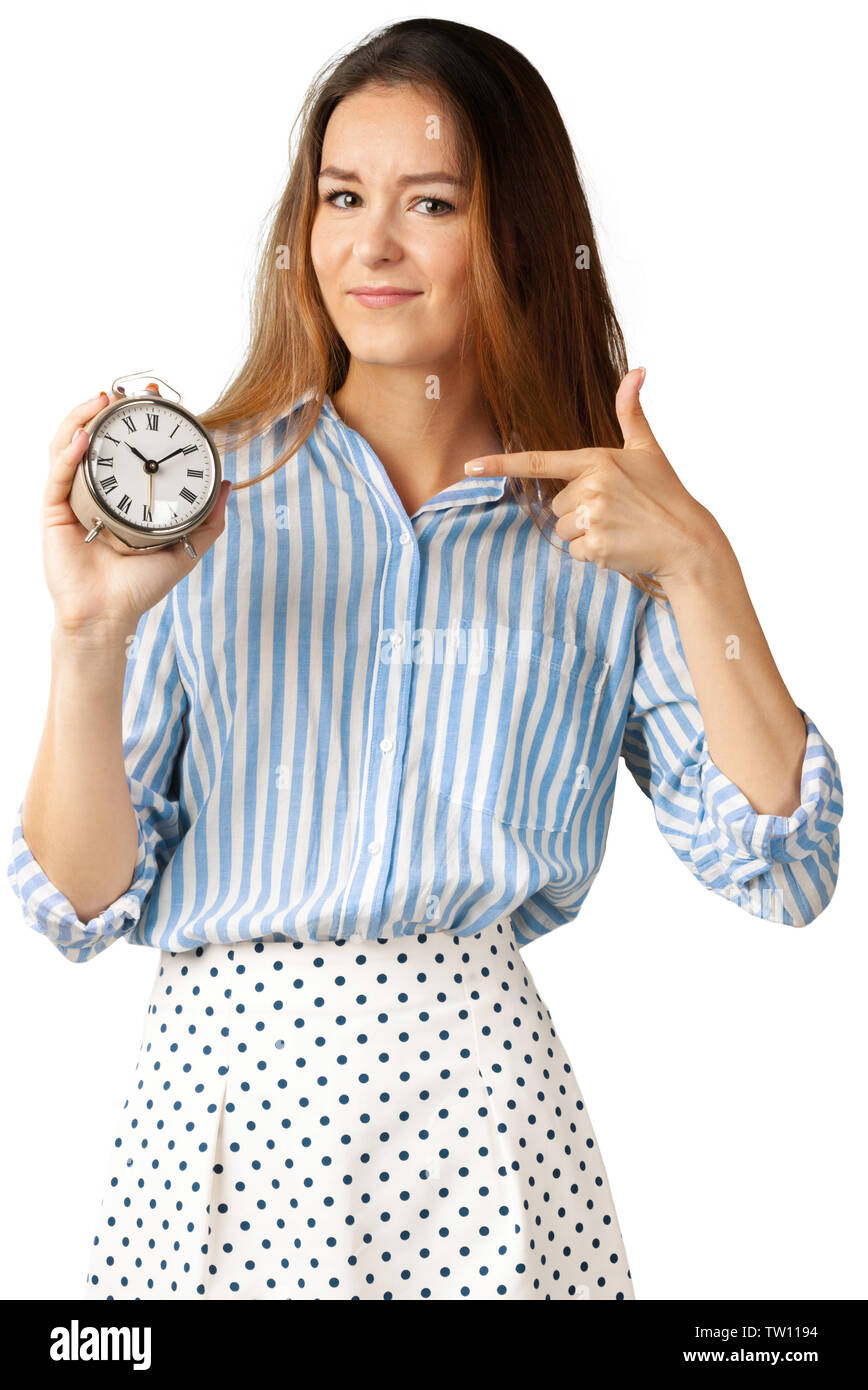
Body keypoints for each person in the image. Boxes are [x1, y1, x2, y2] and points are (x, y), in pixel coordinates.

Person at [7, 19, 843, 1302]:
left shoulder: (602, 525)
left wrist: (699, 567)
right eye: (341, 198)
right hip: (226, 1119)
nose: (369, 246)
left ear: (513, 232)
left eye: (430, 202)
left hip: (483, 1136)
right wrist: (88, 634)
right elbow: (72, 906)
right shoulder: (200, 494)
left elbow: (783, 868)